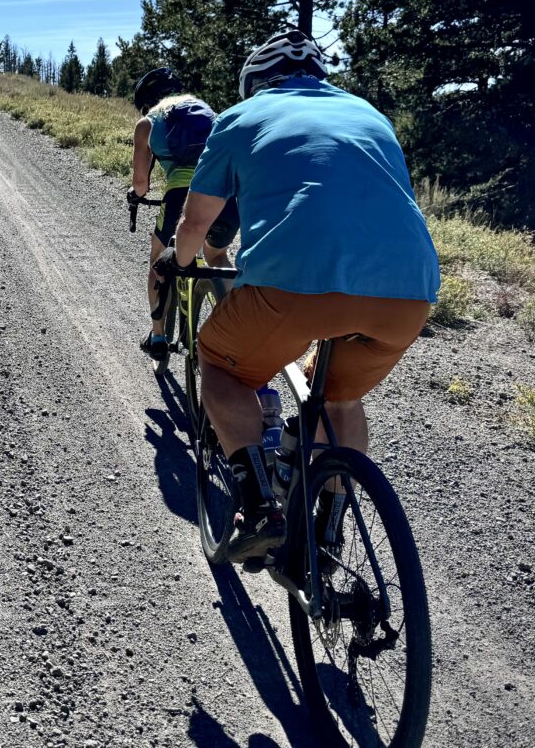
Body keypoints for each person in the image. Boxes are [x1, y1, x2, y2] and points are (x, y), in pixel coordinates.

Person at [158, 30, 440, 563]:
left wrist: (181, 259)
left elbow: (197, 222)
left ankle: (258, 507)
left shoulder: (240, 118)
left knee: (222, 364)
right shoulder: (369, 114)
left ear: (256, 83)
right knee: (338, 398)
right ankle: (329, 530)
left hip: (295, 283)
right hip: (408, 291)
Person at [128, 67, 239, 364]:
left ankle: (158, 336)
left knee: (158, 257)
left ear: (146, 102)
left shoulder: (147, 123)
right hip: (228, 195)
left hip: (183, 195)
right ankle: (236, 329)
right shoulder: (204, 109)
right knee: (217, 256)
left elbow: (141, 183)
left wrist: (136, 195)